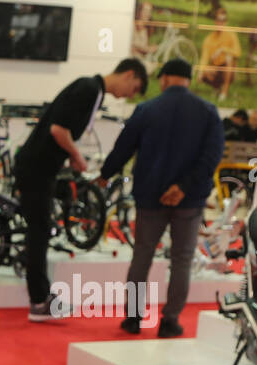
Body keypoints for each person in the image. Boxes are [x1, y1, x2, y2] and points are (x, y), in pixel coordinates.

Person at [97, 59, 225, 338]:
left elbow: (123, 148)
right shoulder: (208, 112)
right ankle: (170, 321)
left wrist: (105, 174)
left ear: (165, 79)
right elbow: (212, 157)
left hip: (149, 196)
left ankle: (133, 318)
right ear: (189, 80)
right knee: (181, 259)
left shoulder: (146, 109)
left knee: (142, 255)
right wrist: (183, 186)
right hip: (189, 201)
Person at [13, 58, 148, 321]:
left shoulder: (92, 91)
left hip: (40, 167)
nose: (128, 95)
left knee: (40, 230)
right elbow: (58, 129)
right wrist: (76, 155)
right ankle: (39, 302)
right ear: (129, 75)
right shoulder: (88, 89)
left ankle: (41, 297)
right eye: (133, 88)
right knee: (39, 232)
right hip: (36, 168)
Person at [198, 5, 240, 102]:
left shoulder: (231, 34)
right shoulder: (209, 38)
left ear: (226, 22)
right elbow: (204, 57)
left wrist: (222, 49)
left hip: (228, 68)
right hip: (216, 68)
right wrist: (201, 71)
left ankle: (224, 92)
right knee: (205, 70)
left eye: (223, 20)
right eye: (218, 20)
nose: (220, 23)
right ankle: (216, 88)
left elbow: (238, 52)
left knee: (229, 58)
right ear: (215, 21)